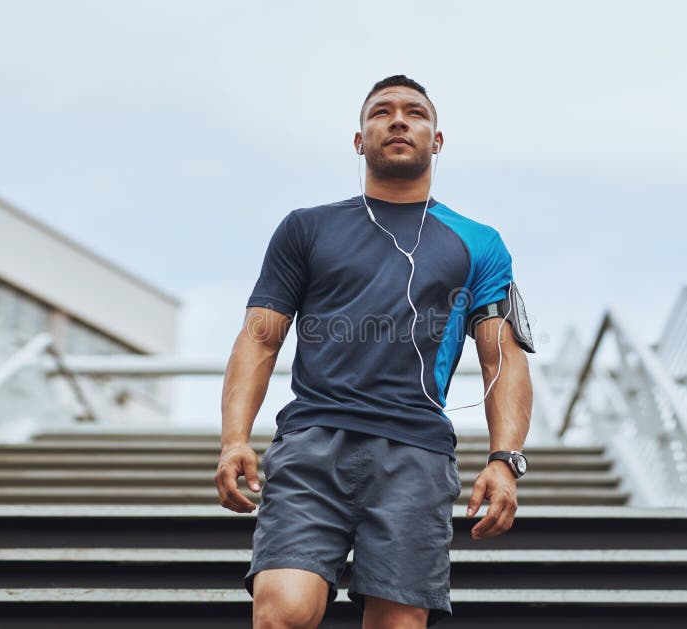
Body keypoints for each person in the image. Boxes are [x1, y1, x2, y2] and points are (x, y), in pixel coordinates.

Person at [215, 75, 534, 628]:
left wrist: (505, 461)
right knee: (282, 612)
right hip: (313, 443)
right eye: (381, 112)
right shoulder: (307, 228)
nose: (398, 120)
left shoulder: (480, 242)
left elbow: (501, 357)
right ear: (359, 140)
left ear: (437, 140)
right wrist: (233, 440)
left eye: (415, 112)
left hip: (416, 455)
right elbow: (259, 339)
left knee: (398, 625)